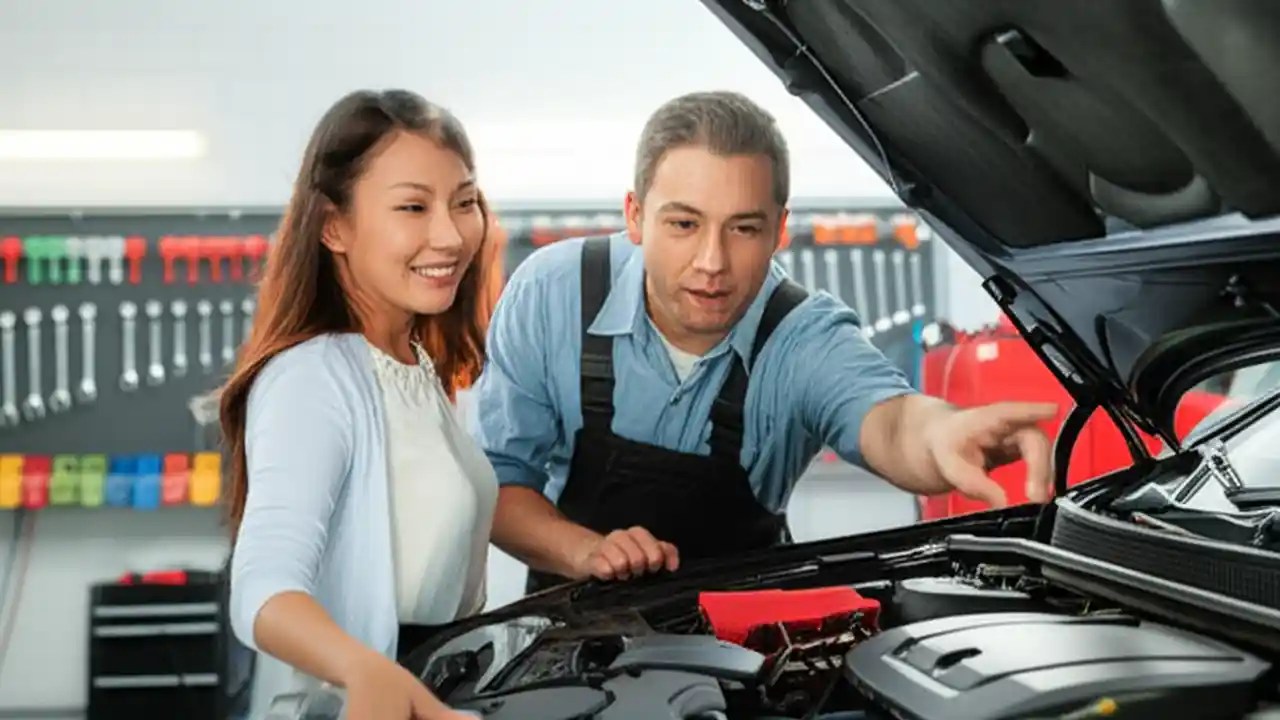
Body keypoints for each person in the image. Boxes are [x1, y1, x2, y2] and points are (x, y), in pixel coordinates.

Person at [468, 90, 1057, 593]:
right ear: (635, 215)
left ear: (779, 230)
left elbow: (892, 422)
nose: (711, 262)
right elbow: (498, 484)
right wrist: (585, 554)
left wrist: (944, 433)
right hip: (566, 635)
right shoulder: (553, 295)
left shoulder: (803, 336)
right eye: (683, 224)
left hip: (748, 649)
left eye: (743, 228)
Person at [220, 89, 495, 720]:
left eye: (464, 203)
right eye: (412, 207)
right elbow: (263, 586)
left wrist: (582, 550)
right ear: (332, 226)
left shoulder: (412, 360)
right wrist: (365, 671)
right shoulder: (312, 378)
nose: (450, 235)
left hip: (445, 689)